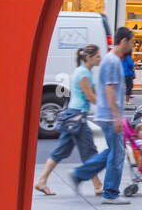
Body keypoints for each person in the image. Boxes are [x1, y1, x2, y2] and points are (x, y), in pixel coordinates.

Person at [71, 27, 134, 203]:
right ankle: (110, 193)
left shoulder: (111, 60)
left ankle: (79, 174)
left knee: (112, 151)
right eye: (131, 42)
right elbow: (108, 89)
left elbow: (110, 88)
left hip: (106, 114)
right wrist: (116, 117)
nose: (133, 45)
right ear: (124, 41)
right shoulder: (113, 61)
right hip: (109, 116)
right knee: (117, 154)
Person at [36, 45, 103, 197]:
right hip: (77, 116)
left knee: (63, 151)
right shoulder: (84, 73)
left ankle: (42, 181)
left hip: (73, 115)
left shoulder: (83, 71)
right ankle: (98, 186)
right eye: (98, 56)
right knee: (89, 150)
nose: (100, 58)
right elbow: (90, 96)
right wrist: (106, 107)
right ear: (90, 57)